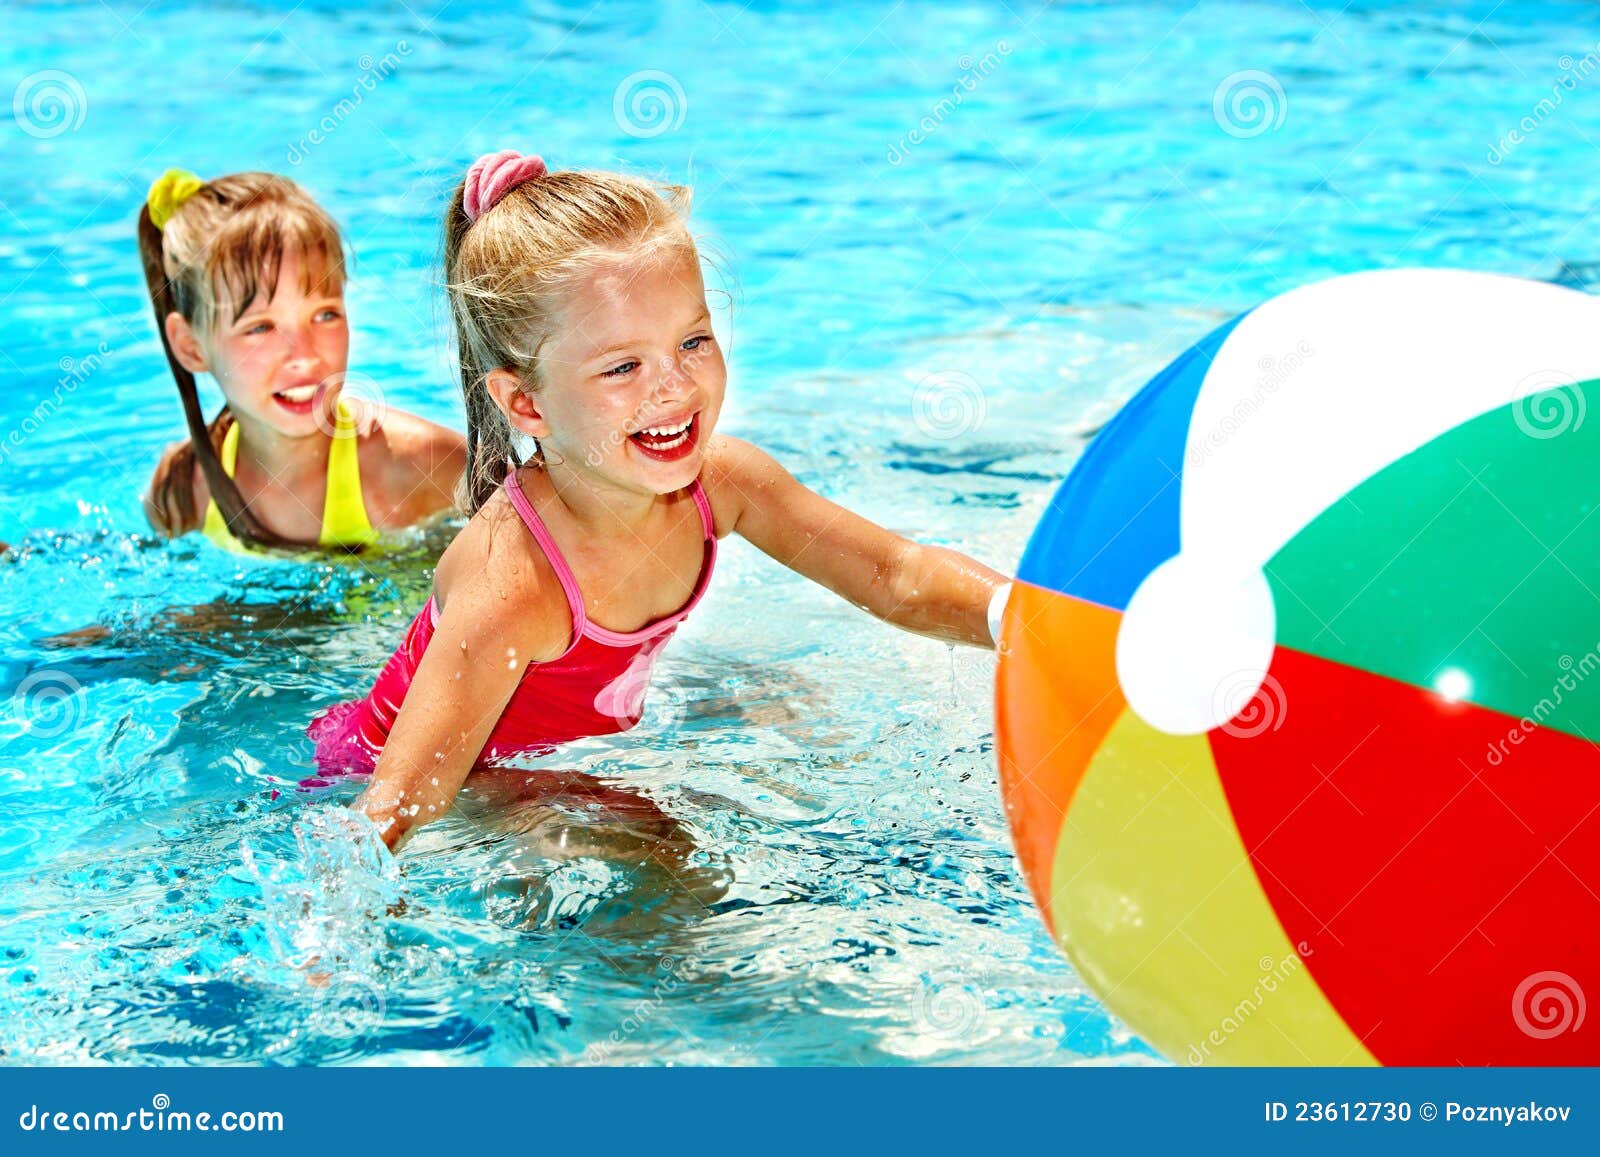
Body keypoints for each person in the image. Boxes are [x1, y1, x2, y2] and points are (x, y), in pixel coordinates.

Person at [309, 150, 1012, 850]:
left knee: (779, 709)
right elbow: (393, 808)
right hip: (429, 776)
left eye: (693, 341)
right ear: (526, 402)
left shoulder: (723, 482)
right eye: (622, 366)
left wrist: (1025, 620)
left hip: (547, 751)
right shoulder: (516, 583)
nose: (673, 388)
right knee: (664, 846)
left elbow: (896, 574)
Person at [137, 169, 466, 551]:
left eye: (324, 315)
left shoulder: (426, 470)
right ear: (191, 347)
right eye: (260, 327)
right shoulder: (184, 490)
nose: (304, 356)